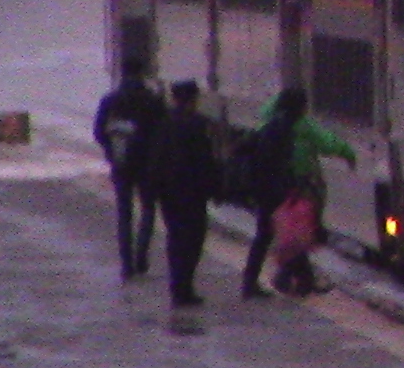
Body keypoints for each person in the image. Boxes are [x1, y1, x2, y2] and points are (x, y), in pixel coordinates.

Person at [242, 87, 356, 297]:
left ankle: (286, 279)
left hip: (266, 187)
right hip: (291, 188)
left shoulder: (267, 123)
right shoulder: (300, 126)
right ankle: (290, 278)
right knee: (297, 232)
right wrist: (349, 153)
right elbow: (328, 142)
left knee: (271, 234)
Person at [93, 58, 165, 281]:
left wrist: (112, 151)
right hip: (147, 164)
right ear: (142, 74)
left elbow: (99, 132)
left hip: (121, 163)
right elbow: (163, 133)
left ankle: (126, 263)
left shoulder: (110, 100)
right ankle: (141, 255)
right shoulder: (153, 101)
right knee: (147, 210)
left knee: (124, 213)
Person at [148, 80, 219, 307]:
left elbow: (156, 159)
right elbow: (205, 160)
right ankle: (185, 286)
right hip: (193, 192)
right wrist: (214, 188)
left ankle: (178, 286)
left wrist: (154, 190)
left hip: (169, 192)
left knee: (175, 237)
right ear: (193, 99)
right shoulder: (198, 124)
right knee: (194, 239)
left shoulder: (163, 124)